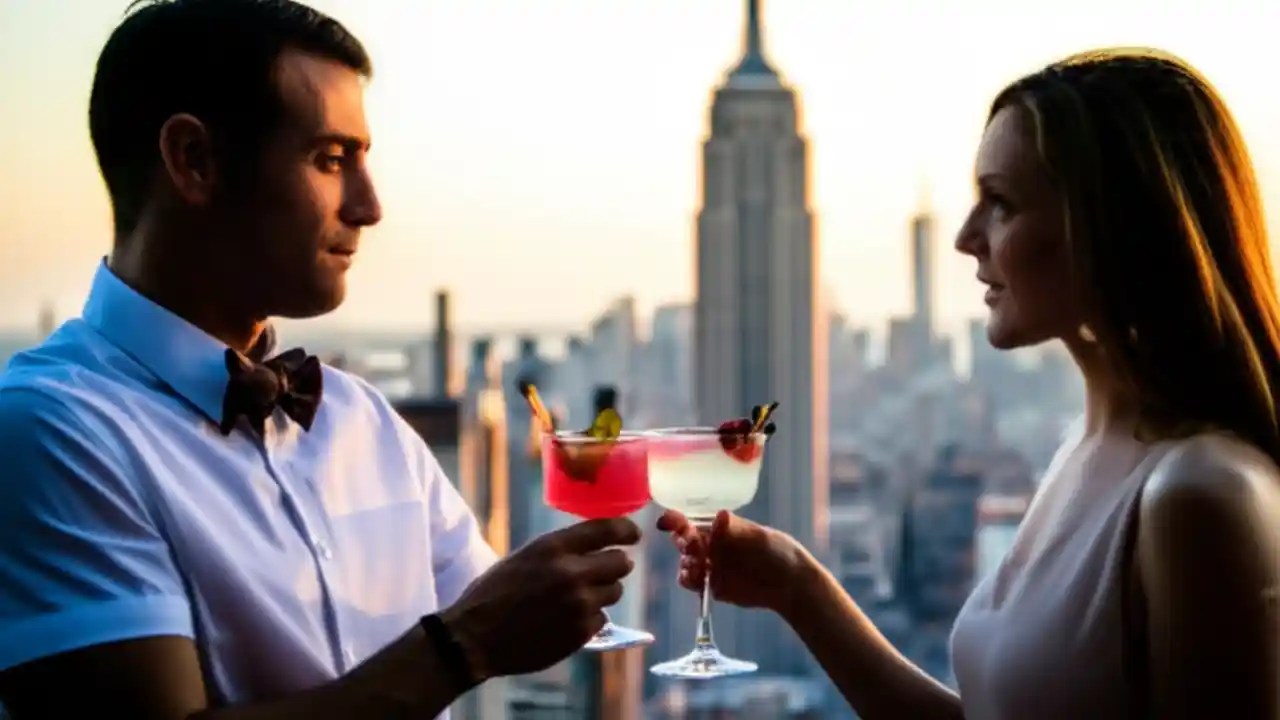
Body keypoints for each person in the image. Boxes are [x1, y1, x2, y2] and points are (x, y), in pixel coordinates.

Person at [0, 1, 639, 718]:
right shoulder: (46, 430)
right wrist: (463, 647)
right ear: (194, 161)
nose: (369, 207)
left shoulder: (362, 418)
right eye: (331, 160)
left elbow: (512, 605)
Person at [662, 47, 1280, 720]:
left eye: (1002, 204)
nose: (965, 238)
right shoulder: (1088, 446)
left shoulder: (1196, 496)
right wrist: (798, 587)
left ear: (1109, 228)